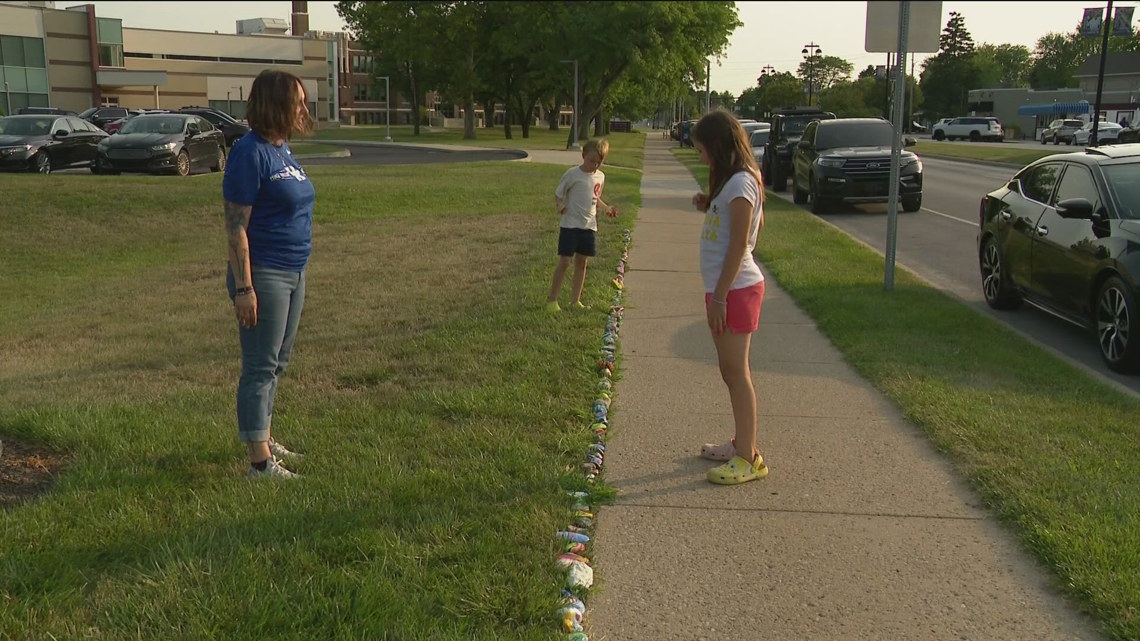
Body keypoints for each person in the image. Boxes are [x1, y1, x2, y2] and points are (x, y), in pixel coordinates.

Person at [222, 69, 315, 479]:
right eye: (297, 101)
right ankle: (259, 464)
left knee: (278, 362)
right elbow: (235, 227)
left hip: (294, 269)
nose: (303, 109)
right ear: (276, 104)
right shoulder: (249, 152)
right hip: (263, 273)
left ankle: (264, 434)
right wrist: (245, 287)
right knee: (260, 365)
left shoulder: (281, 149)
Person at [689, 110, 768, 485]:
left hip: (735, 290)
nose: (701, 156)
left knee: (737, 374)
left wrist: (720, 297)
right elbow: (748, 226)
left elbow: (740, 244)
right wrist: (710, 203)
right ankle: (741, 443)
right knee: (730, 372)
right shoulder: (734, 182)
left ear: (717, 145)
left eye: (702, 149)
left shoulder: (741, 183)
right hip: (726, 289)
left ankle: (748, 457)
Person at [546, 138, 618, 312]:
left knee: (582, 262)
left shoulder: (600, 176)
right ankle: (552, 300)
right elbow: (558, 194)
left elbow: (596, 197)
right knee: (565, 262)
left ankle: (575, 300)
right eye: (592, 161)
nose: (595, 165)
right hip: (570, 225)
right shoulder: (572, 174)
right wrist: (560, 206)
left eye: (599, 162)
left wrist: (606, 208)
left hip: (589, 226)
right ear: (583, 155)